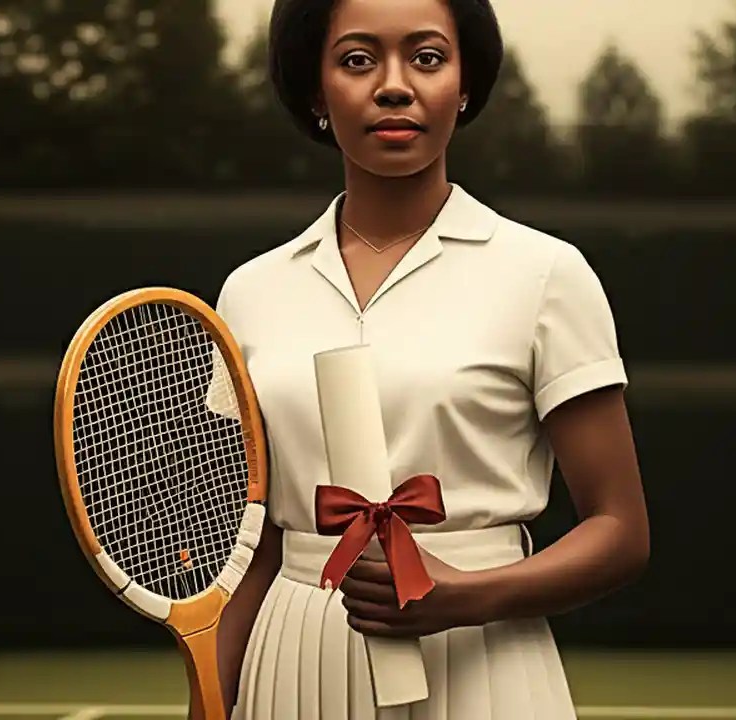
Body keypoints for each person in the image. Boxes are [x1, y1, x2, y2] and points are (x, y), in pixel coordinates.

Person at [212, 0, 650, 717]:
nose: (394, 85)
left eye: (427, 57)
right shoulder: (252, 291)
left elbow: (621, 532)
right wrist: (213, 697)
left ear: (465, 83)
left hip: (484, 661)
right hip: (292, 657)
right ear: (316, 90)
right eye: (358, 60)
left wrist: (467, 595)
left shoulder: (545, 273)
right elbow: (253, 547)